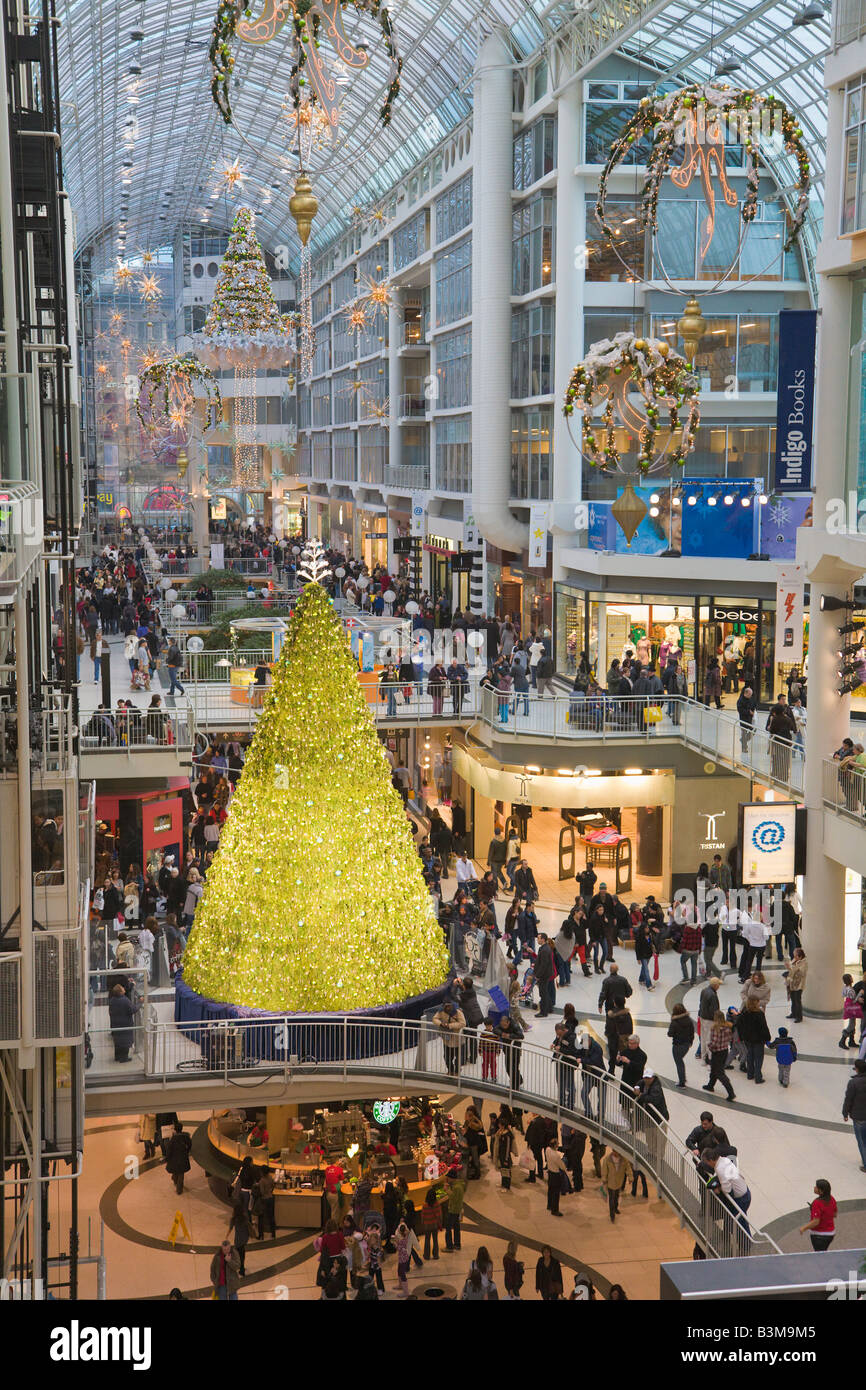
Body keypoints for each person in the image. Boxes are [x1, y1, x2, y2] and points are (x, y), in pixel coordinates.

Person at [702, 1147, 752, 1235]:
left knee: (738, 1225)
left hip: (741, 1199)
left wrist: (718, 1189)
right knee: (741, 1221)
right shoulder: (724, 1160)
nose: (708, 1165)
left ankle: (745, 1245)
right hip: (745, 1192)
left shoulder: (720, 1169)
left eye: (707, 1162)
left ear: (711, 1160)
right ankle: (746, 1243)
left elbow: (727, 1190)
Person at [702, 1011, 737, 1101]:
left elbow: (714, 1043)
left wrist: (709, 1047)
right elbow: (730, 1039)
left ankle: (731, 1093)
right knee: (714, 1069)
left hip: (717, 1052)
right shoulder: (728, 1027)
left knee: (720, 1073)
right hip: (724, 1051)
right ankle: (710, 1085)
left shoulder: (716, 1028)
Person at [736, 997, 771, 1084]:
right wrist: (767, 1038)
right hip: (758, 1040)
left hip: (748, 1039)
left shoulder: (744, 1013)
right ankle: (758, 1077)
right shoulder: (759, 1014)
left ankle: (750, 1074)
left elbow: (738, 1024)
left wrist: (742, 1036)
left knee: (750, 1056)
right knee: (758, 1058)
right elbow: (764, 1028)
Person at [798, 1179, 837, 1252]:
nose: (814, 1187)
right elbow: (835, 1214)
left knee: (819, 1254)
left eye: (816, 1187)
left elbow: (816, 1222)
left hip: (819, 1235)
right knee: (823, 1251)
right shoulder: (832, 1199)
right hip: (831, 1234)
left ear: (821, 1191)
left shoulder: (817, 1203)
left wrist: (804, 1228)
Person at [842, 1059, 866, 1171]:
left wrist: (845, 1113)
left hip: (859, 1116)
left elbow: (849, 1099)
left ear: (857, 1069)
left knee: (861, 1141)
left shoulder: (853, 1083)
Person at [601, 1148, 633, 1223]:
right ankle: (612, 1214)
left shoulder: (623, 1160)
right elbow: (604, 1170)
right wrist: (604, 1179)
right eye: (614, 1151)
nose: (616, 1153)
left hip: (619, 1182)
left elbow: (628, 1168)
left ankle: (615, 1208)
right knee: (611, 1198)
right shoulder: (607, 1159)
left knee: (617, 1196)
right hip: (610, 1183)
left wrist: (630, 1177)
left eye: (617, 1152)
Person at [433, 1002, 465, 1076]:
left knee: (459, 1057)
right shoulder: (441, 1011)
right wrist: (441, 1024)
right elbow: (435, 1019)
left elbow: (463, 1023)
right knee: (447, 1057)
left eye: (449, 1006)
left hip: (457, 1039)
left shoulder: (458, 1012)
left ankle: (457, 1071)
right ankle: (450, 1070)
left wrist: (450, 1025)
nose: (447, 1008)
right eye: (446, 1006)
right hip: (447, 1039)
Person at [668, 1003, 696, 1088]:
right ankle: (682, 1078)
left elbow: (670, 1034)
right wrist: (691, 1042)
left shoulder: (674, 1022)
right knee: (680, 1061)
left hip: (677, 1045)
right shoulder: (689, 1020)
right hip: (686, 1044)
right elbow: (692, 1032)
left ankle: (682, 1082)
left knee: (679, 1063)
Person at [108, 982, 136, 1062]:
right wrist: (139, 1004)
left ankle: (117, 1056)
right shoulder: (125, 1000)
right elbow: (132, 1010)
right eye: (123, 988)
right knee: (125, 1042)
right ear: (120, 991)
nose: (124, 989)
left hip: (115, 1024)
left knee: (118, 1041)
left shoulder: (112, 1000)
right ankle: (124, 1057)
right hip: (125, 1024)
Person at [164, 1120, 192, 1195]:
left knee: (176, 1171)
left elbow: (169, 1150)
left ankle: (176, 1182)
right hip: (183, 1158)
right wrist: (186, 1151)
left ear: (175, 1129)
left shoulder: (172, 1139)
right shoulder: (186, 1137)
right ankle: (179, 1190)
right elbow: (190, 1145)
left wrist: (167, 1158)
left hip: (174, 1159)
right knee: (181, 1173)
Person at [393, 1219, 420, 1296]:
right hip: (403, 1257)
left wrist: (395, 1244)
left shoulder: (402, 1240)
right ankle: (400, 1285)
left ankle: (406, 1292)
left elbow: (399, 1248)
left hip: (403, 1258)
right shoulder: (407, 1236)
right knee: (399, 1271)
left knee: (402, 1273)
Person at [444, 1167, 466, 1250]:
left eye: (448, 1178)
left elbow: (454, 1198)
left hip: (453, 1210)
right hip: (457, 1209)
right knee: (456, 1228)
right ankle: (457, 1244)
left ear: (452, 1178)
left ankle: (449, 1247)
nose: (447, 1179)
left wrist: (447, 1190)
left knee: (448, 1228)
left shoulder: (457, 1187)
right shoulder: (458, 1185)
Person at [545, 1138, 566, 1217]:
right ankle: (555, 1210)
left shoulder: (547, 1150)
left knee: (550, 1190)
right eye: (557, 1143)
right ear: (554, 1145)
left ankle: (549, 1205)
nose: (558, 1144)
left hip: (550, 1172)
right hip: (556, 1175)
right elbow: (562, 1167)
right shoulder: (556, 1155)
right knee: (556, 1193)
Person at [785, 948, 808, 1023]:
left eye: (795, 956)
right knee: (793, 1000)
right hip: (792, 983)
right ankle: (793, 1013)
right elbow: (791, 970)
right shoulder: (795, 960)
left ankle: (799, 1017)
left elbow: (801, 973)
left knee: (797, 1001)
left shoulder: (804, 963)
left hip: (799, 985)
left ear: (800, 956)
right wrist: (789, 967)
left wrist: (791, 968)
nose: (794, 957)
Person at [420, 1186, 442, 1259]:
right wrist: (440, 1223)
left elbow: (423, 1216)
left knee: (427, 1240)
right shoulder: (437, 1204)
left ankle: (426, 1255)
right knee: (435, 1240)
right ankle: (435, 1255)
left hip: (427, 1225)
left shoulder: (425, 1205)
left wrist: (422, 1223)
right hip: (434, 1225)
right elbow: (439, 1215)